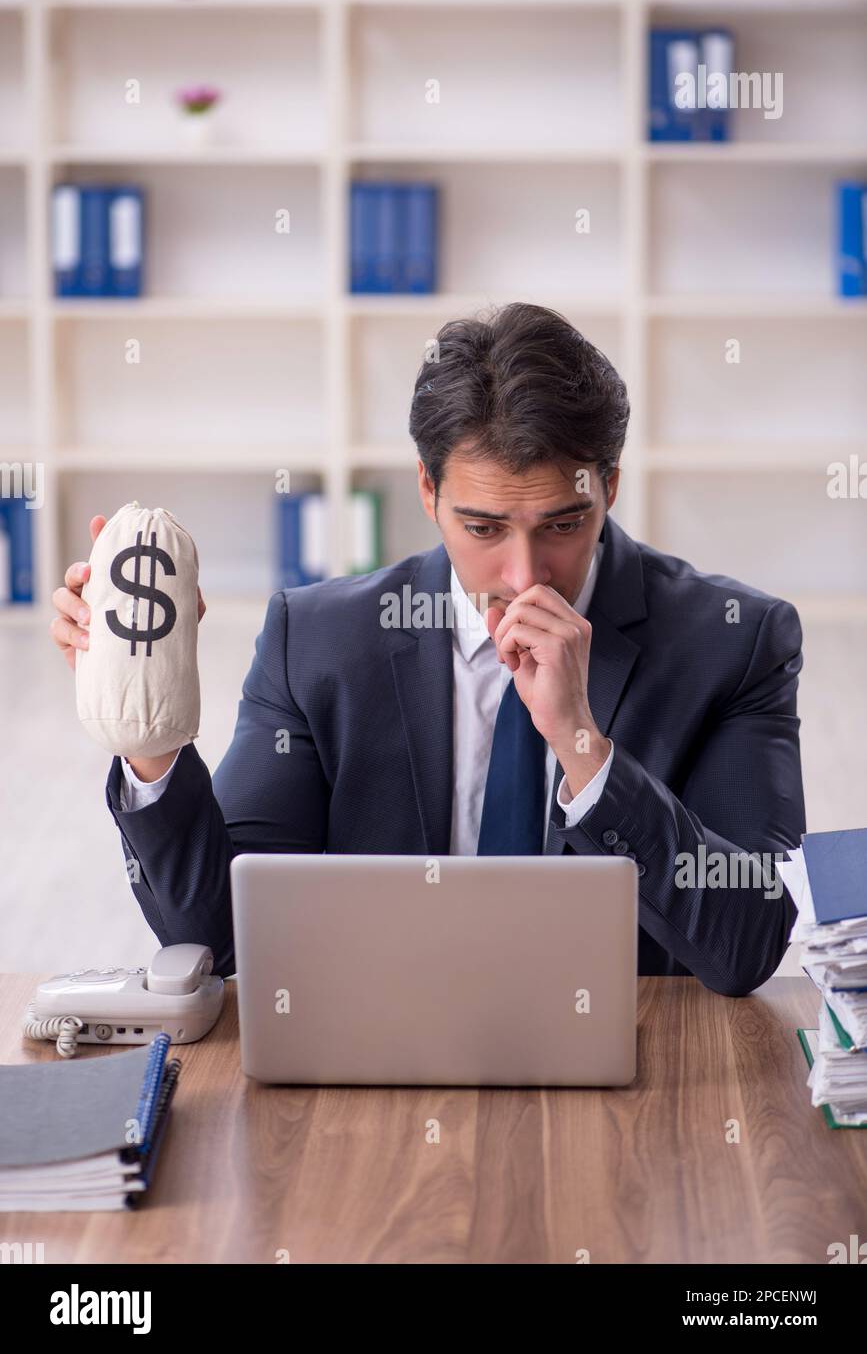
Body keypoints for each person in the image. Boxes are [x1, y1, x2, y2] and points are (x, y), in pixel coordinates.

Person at [50, 302, 806, 993]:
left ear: (608, 485)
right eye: (482, 529)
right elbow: (218, 939)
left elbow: (746, 944)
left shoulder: (734, 644)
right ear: (426, 491)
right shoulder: (315, 640)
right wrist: (149, 730)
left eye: (562, 524)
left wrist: (584, 747)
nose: (523, 574)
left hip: (636, 1065)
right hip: (376, 1061)